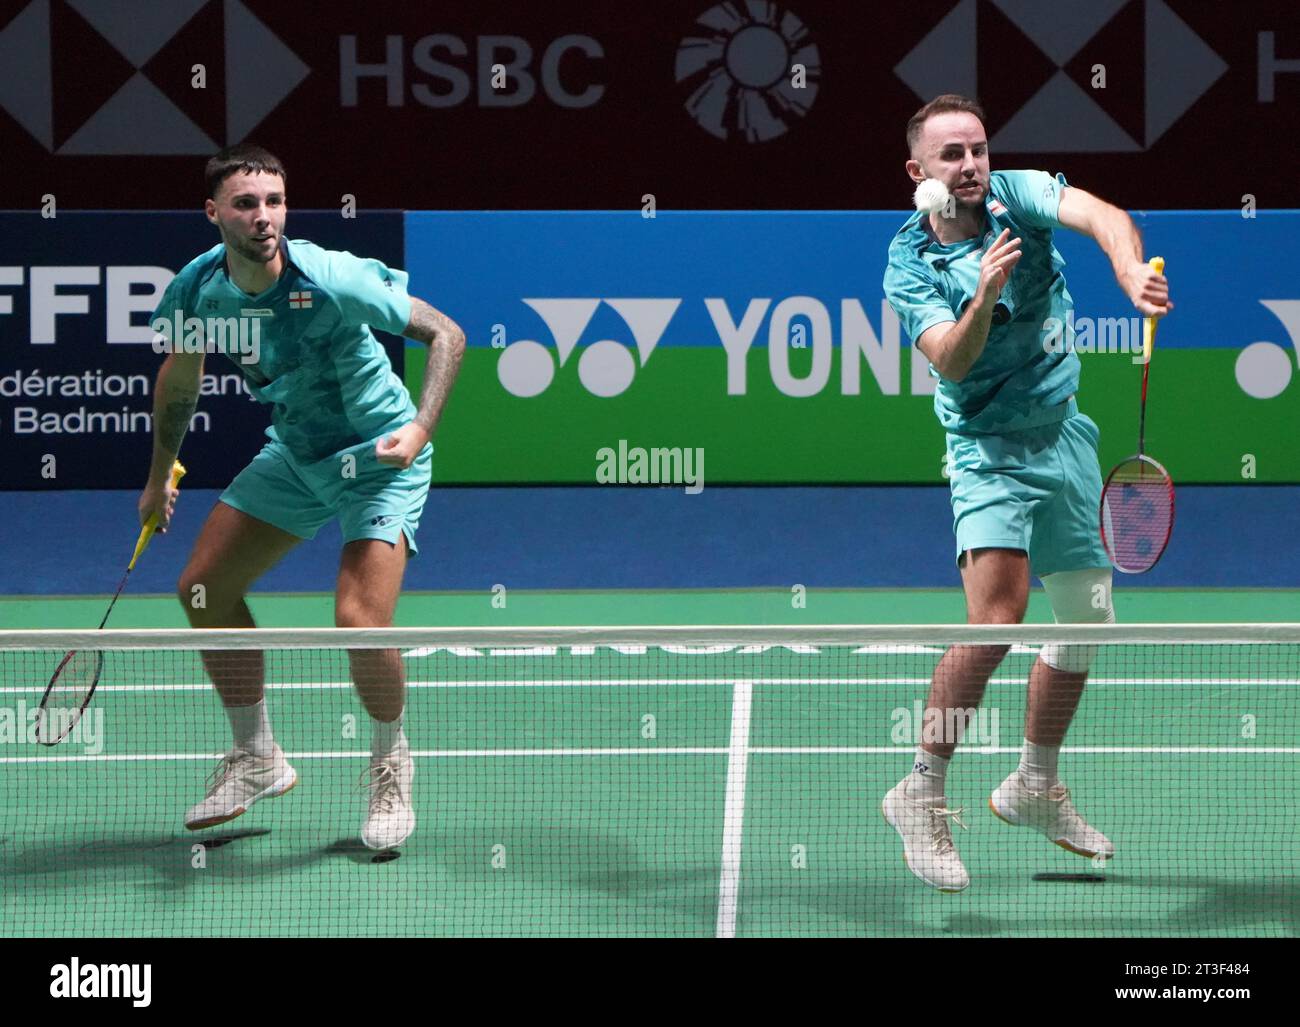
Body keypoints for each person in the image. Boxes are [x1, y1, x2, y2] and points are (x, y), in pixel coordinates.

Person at [881, 95, 1172, 892]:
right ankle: (920, 788)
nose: (970, 164)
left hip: (1064, 435)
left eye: (977, 148)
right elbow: (950, 358)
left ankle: (1035, 783)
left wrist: (1125, 268)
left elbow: (1102, 214)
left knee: (1088, 620)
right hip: (988, 452)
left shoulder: (1019, 192)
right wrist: (981, 296)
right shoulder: (909, 264)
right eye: (951, 155)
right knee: (996, 623)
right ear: (918, 172)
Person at [138, 144, 465, 850]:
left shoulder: (330, 276)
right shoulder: (197, 288)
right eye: (246, 203)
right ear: (213, 212)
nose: (265, 216)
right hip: (297, 453)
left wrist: (419, 428)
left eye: (275, 201)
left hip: (379, 457)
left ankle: (391, 764)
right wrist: (160, 473)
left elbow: (446, 333)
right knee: (202, 589)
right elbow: (180, 377)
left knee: (358, 620)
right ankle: (257, 756)